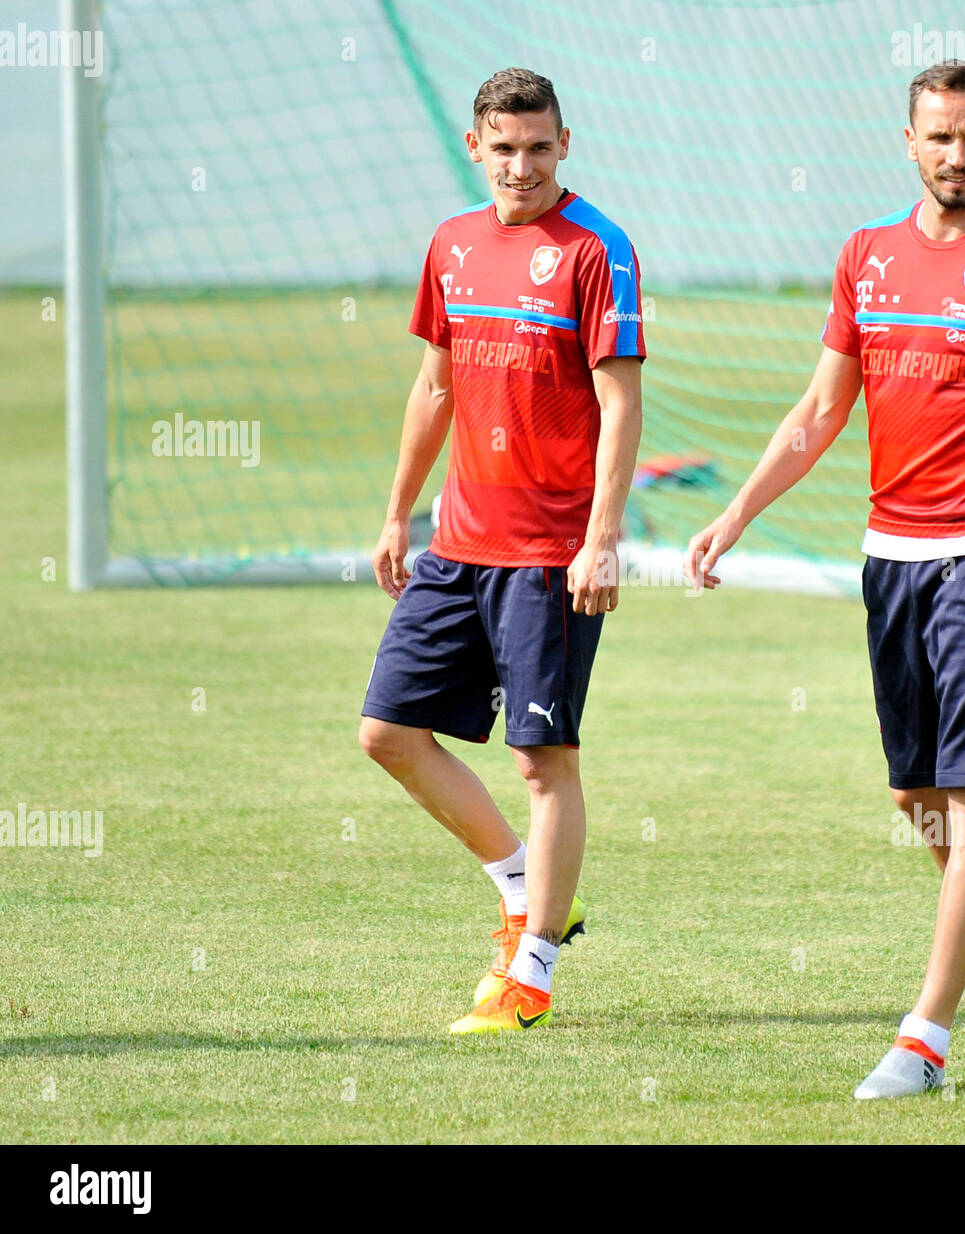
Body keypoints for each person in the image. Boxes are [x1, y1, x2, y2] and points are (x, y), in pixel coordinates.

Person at [685, 61, 965, 1098]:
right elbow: (819, 412)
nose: (957, 155)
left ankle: (924, 1038)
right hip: (890, 557)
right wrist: (736, 512)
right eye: (940, 137)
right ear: (908, 141)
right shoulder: (864, 256)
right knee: (920, 796)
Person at [359, 67, 644, 1034]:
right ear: (475, 147)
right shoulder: (451, 244)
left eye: (539, 147)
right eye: (503, 148)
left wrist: (602, 538)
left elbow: (619, 403)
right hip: (458, 542)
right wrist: (399, 511)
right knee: (388, 733)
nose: (521, 165)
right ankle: (525, 888)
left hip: (551, 552)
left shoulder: (597, 249)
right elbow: (435, 386)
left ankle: (531, 975)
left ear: (566, 144)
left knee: (541, 758)